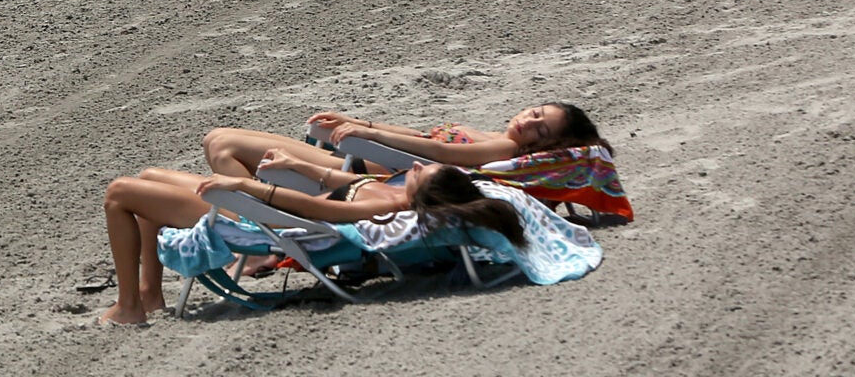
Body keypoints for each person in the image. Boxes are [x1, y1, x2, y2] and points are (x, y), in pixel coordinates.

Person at [95, 155, 526, 325]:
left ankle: (130, 306)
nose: (413, 165)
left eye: (420, 173)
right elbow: (339, 182)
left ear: (424, 195)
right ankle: (149, 294)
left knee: (120, 192)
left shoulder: (385, 208)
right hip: (270, 212)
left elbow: (318, 211)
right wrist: (296, 163)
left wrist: (244, 188)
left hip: (263, 222)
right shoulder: (393, 190)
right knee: (149, 178)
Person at [201, 101, 604, 184]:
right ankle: (256, 217)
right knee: (218, 139)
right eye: (535, 114)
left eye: (541, 131)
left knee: (223, 146)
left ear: (543, 147)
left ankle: (256, 237)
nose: (528, 123)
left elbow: (440, 151)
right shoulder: (496, 136)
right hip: (365, 157)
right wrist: (357, 121)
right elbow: (425, 135)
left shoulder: (503, 150)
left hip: (362, 170)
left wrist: (370, 134)